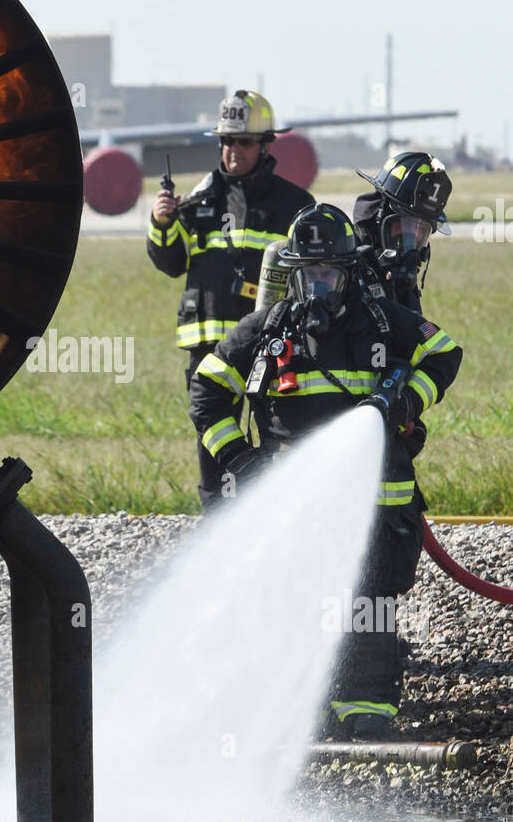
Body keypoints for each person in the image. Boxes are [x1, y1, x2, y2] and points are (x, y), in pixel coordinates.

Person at [188, 203, 462, 740]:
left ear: (348, 272)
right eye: (309, 275)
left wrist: (405, 405)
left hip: (379, 501)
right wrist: (242, 461)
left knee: (371, 602)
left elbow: (445, 353)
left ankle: (368, 717)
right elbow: (207, 389)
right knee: (297, 599)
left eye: (329, 274)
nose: (319, 287)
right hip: (298, 506)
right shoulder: (265, 331)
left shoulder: (384, 323)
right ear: (292, 275)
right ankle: (303, 710)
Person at [147, 89, 314, 511]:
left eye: (243, 142)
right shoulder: (199, 203)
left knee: (276, 438)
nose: (233, 150)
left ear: (266, 144)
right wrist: (162, 221)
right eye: (226, 141)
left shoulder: (294, 205)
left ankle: (274, 521)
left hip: (272, 347)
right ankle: (219, 527)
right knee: (215, 443)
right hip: (209, 350)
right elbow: (169, 262)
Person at [352, 151, 452, 311]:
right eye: (406, 223)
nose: (412, 235)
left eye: (422, 229)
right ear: (380, 214)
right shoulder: (344, 268)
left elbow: (419, 334)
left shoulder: (401, 276)